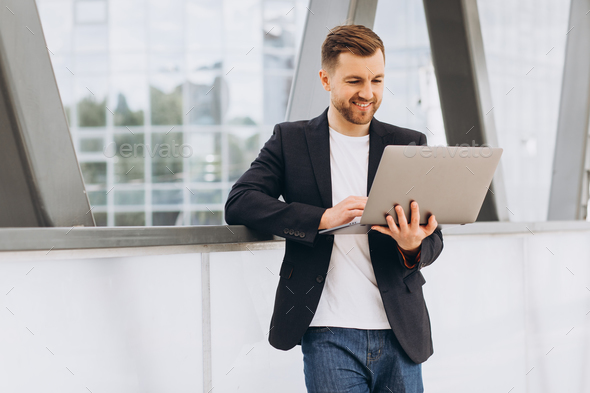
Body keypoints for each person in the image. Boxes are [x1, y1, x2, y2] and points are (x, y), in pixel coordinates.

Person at [225, 24, 444, 393]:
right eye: (355, 80)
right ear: (326, 79)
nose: (368, 93)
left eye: (377, 80)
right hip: (327, 331)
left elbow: (433, 238)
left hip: (400, 331)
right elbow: (240, 201)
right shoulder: (290, 140)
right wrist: (321, 218)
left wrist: (412, 246)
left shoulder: (408, 143)